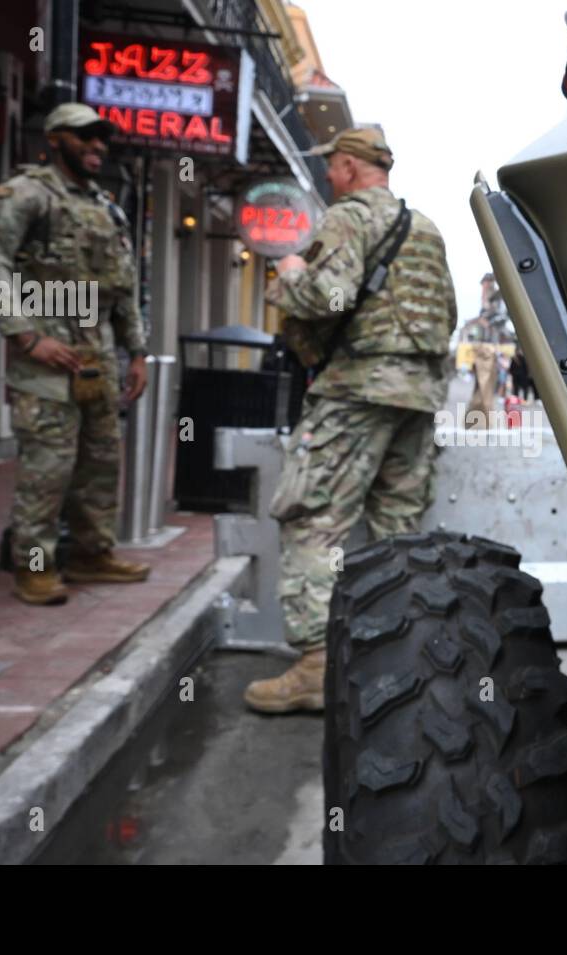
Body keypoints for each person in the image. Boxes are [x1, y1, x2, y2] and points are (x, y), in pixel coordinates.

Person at [244, 127, 457, 714]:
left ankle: (316, 665)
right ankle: (399, 657)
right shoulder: (428, 229)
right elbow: (448, 314)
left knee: (313, 517)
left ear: (345, 167)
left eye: (332, 168)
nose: (329, 178)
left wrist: (289, 272)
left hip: (357, 389)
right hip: (417, 395)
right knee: (399, 529)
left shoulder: (347, 218)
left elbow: (330, 300)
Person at [0, 102, 151, 606]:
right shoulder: (26, 193)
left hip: (97, 355)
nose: (97, 146)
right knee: (46, 471)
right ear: (55, 138)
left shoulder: (106, 205)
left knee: (100, 464)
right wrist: (26, 336)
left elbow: (123, 285)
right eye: (85, 137)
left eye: (102, 139)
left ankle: (92, 555)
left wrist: (136, 352)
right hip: (47, 354)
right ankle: (34, 567)